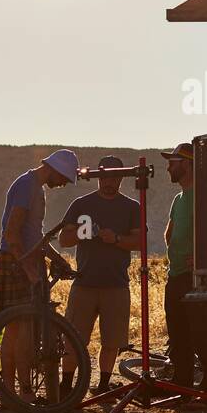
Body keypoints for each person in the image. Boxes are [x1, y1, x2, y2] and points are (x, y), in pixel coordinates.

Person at [0, 149, 79, 403]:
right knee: (18, 330)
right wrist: (28, 268)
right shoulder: (26, 185)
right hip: (16, 261)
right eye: (64, 178)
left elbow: (34, 233)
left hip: (26, 259)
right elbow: (12, 233)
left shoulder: (36, 188)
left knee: (21, 331)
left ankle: (15, 393)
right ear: (57, 170)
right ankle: (18, 393)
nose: (63, 184)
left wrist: (57, 259)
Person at [57, 156, 141, 395]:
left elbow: (139, 242)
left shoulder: (131, 207)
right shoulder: (81, 204)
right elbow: (64, 239)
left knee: (112, 340)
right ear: (97, 177)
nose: (108, 181)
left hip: (116, 284)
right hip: (84, 282)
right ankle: (66, 385)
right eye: (104, 176)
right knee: (73, 339)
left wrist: (115, 239)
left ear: (121, 178)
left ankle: (103, 384)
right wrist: (84, 234)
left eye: (114, 177)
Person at [161, 142, 207, 400]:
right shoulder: (178, 199)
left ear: (187, 164)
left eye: (173, 162)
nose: (168, 167)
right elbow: (170, 232)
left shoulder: (205, 196)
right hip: (175, 275)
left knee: (204, 335)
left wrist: (203, 258)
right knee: (178, 338)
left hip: (197, 277)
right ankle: (182, 387)